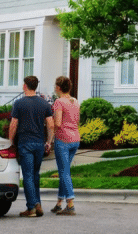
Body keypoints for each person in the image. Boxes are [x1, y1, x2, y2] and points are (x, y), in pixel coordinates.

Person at [9, 75, 55, 218]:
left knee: (27, 176)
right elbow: (51, 124)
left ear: (25, 86)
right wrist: (48, 141)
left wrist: (10, 142)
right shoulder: (44, 104)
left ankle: (32, 207)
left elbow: (13, 124)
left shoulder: (19, 103)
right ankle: (37, 203)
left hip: (25, 143)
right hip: (39, 143)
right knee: (35, 175)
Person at [50, 75, 81, 216]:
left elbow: (57, 123)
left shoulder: (59, 102)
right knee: (65, 171)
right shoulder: (75, 101)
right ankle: (59, 203)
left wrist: (50, 139)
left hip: (63, 139)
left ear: (58, 87)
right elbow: (77, 121)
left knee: (64, 172)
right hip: (75, 139)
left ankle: (70, 204)